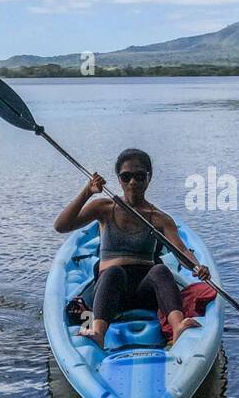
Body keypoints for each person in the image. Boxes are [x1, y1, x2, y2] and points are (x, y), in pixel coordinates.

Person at [53, 148, 210, 349]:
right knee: (114, 272)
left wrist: (197, 267)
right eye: (126, 177)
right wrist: (87, 192)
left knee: (160, 270)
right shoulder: (104, 208)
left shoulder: (159, 218)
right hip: (110, 290)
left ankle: (178, 326)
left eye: (139, 176)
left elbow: (182, 251)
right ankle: (98, 333)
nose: (132, 182)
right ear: (119, 179)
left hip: (146, 291)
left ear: (149, 177)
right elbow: (61, 226)